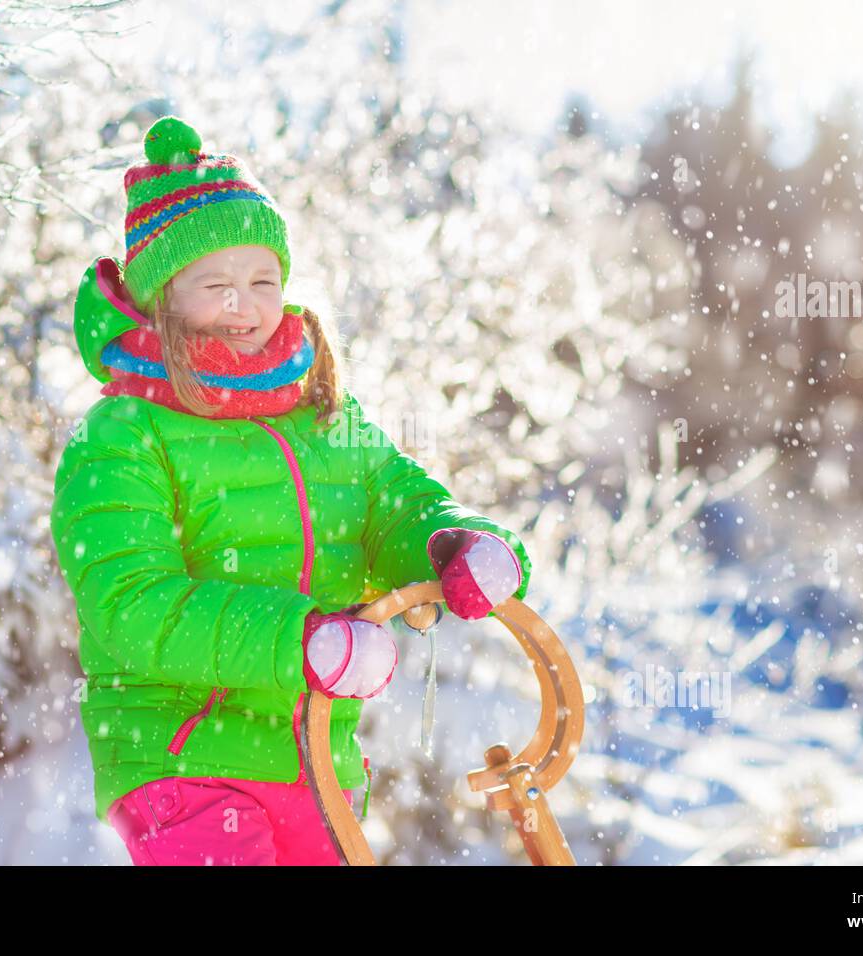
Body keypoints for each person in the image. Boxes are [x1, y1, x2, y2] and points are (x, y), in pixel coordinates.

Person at [50, 115, 533, 866]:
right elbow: (131, 603)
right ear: (162, 300)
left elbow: (392, 501)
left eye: (261, 282)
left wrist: (451, 542)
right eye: (214, 285)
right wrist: (301, 642)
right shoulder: (123, 433)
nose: (243, 305)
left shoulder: (320, 412)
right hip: (182, 756)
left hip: (313, 763)